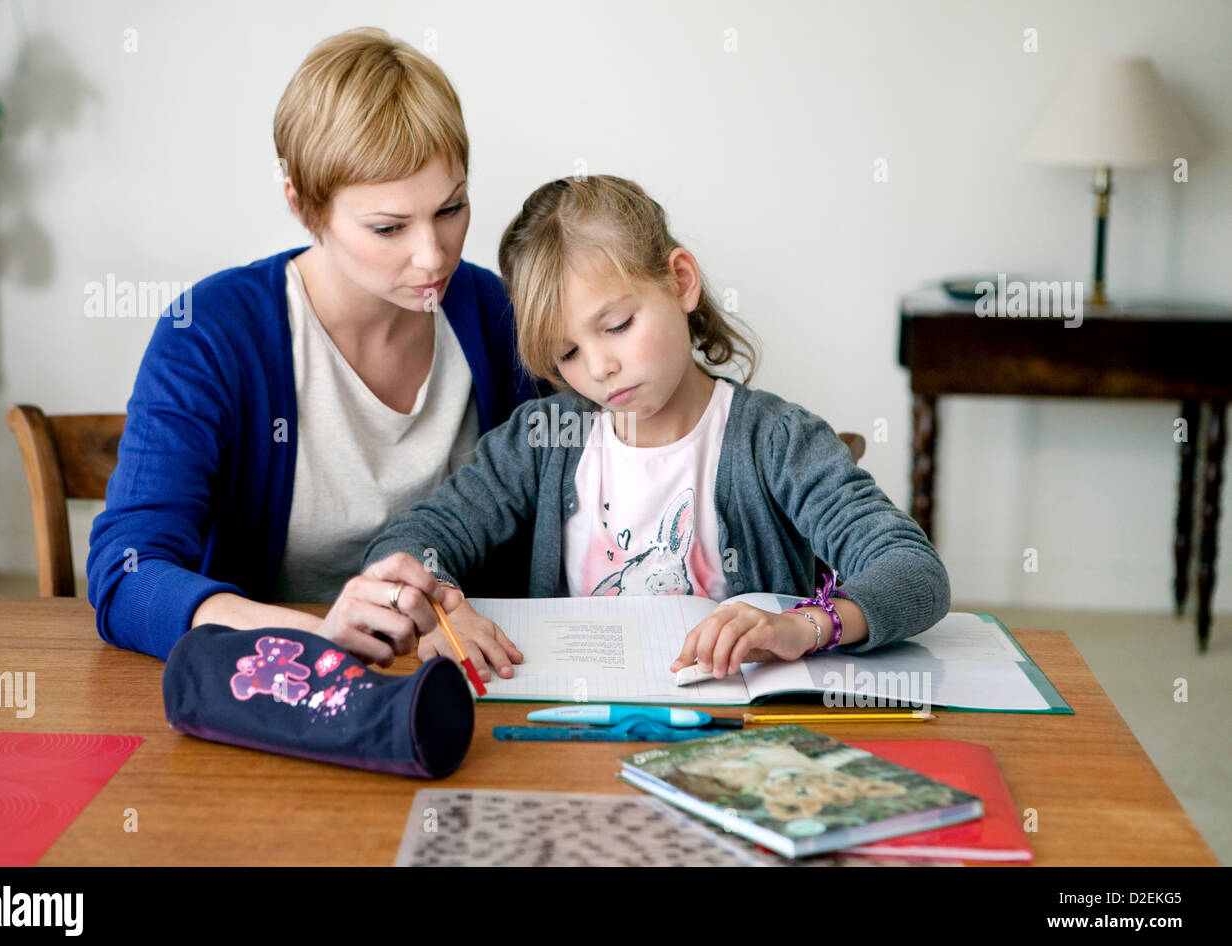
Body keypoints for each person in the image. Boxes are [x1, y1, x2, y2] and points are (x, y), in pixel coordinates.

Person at [361, 174, 951, 684]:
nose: (598, 368)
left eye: (616, 325)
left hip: (743, 740)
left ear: (680, 281)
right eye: (566, 353)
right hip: (578, 728)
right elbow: (411, 542)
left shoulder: (774, 440)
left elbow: (914, 572)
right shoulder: (543, 440)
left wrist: (804, 626)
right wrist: (442, 610)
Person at [87, 28, 535, 661]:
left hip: (466, 687)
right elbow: (125, 574)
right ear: (303, 206)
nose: (432, 256)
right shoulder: (213, 332)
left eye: (451, 208)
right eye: (388, 227)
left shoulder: (497, 316)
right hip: (280, 687)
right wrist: (310, 635)